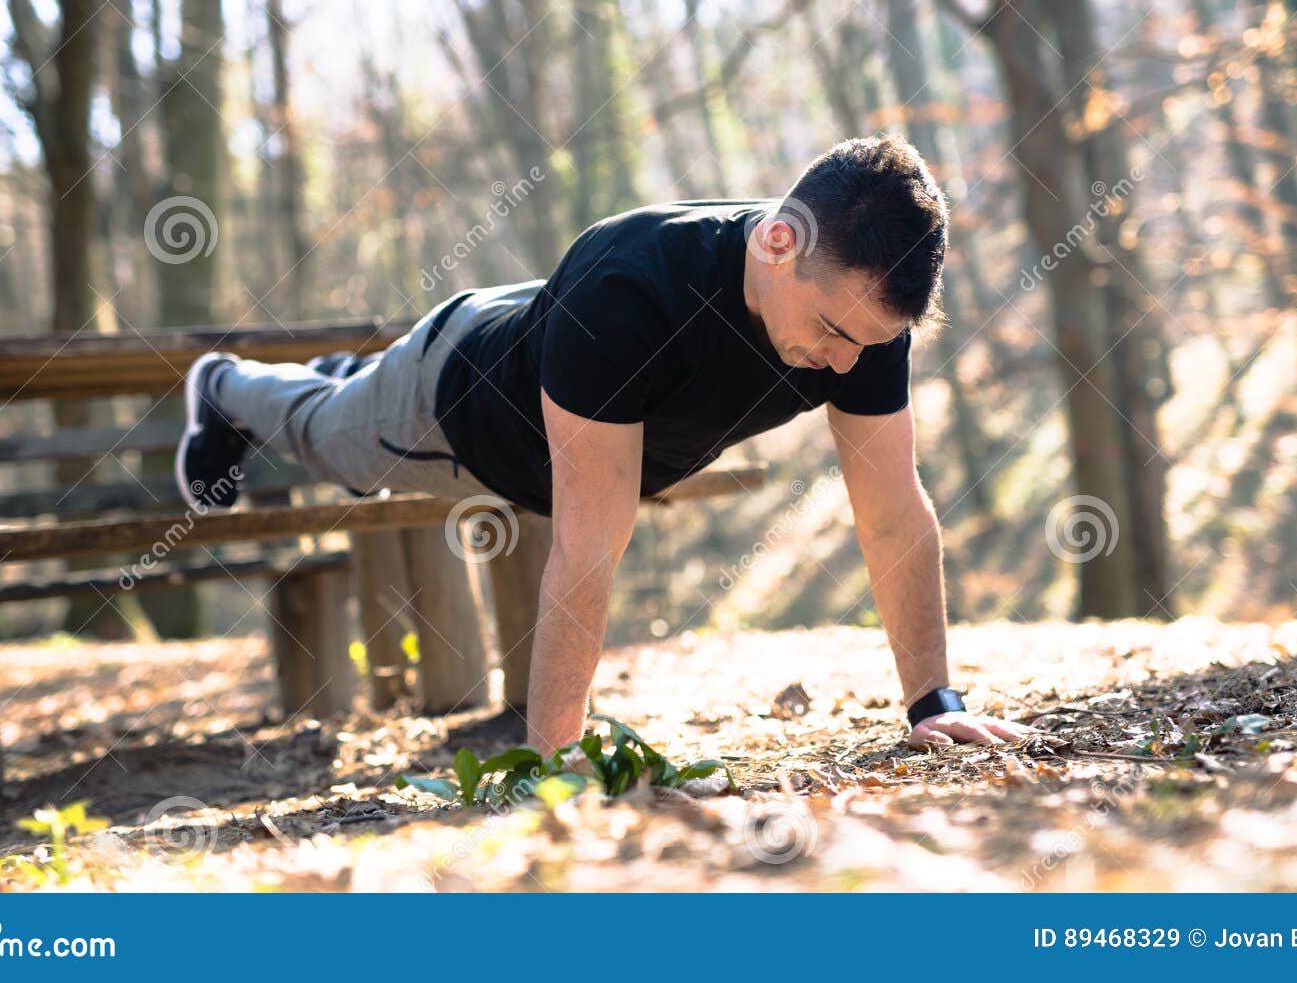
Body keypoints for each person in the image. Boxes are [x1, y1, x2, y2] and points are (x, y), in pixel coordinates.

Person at [175, 135, 1030, 755]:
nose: (846, 364)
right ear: (778, 242)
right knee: (333, 442)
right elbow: (589, 545)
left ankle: (335, 374)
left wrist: (932, 702)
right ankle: (227, 385)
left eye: (869, 345)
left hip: (559, 347)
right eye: (834, 331)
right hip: (458, 402)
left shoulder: (864, 321)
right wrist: (555, 764)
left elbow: (891, 514)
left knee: (353, 405)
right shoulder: (630, 292)